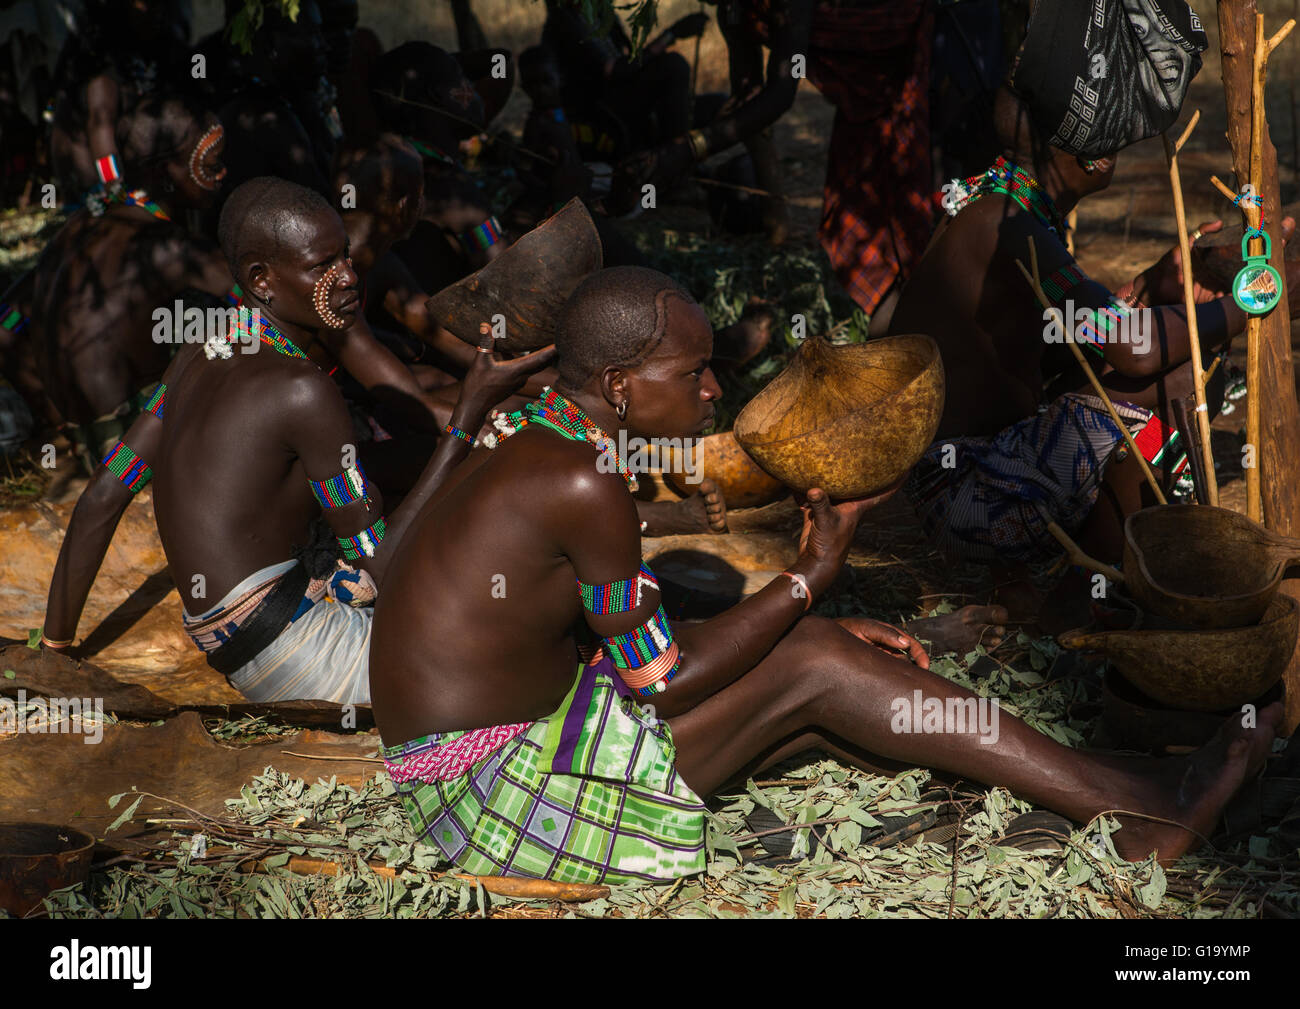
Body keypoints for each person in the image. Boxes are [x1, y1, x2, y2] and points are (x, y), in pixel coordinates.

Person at [368, 266, 1277, 885]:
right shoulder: (584, 478)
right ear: (618, 386)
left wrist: (810, 617)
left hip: (499, 735)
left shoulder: (552, 438)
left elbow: (641, 653)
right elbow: (665, 679)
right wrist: (811, 574)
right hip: (487, 790)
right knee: (810, 665)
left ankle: (1100, 784)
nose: (714, 390)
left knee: (815, 668)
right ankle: (1148, 809)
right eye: (694, 372)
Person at [41, 177, 554, 704]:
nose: (347, 278)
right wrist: (468, 416)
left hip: (238, 638)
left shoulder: (202, 349)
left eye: (346, 257)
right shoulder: (303, 390)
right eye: (322, 266)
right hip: (301, 654)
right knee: (531, 620)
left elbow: (104, 494)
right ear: (262, 279)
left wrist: (52, 647)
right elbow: (382, 563)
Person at [887, 83, 1300, 626]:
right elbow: (1133, 349)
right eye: (1090, 129)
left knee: (1178, 369)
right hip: (965, 494)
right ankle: (1088, 598)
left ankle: (1097, 581)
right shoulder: (1009, 226)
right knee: (1175, 382)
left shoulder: (1006, 208)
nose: (1109, 143)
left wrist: (1153, 285)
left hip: (975, 475)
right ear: (1051, 147)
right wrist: (1264, 298)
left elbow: (1082, 342)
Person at [611, 0, 933, 329]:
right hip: (864, 111)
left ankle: (915, 325)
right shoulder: (736, 8)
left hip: (898, 85)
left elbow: (779, 96)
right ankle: (895, 326)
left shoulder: (790, 6)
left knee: (886, 232)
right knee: (861, 234)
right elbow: (749, 96)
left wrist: (689, 149)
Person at [29, 93, 233, 469]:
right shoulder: (169, 248)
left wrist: (52, 413)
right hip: (131, 450)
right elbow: (268, 310)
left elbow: (7, 322)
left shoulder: (80, 227)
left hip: (88, 438)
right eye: (211, 163)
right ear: (164, 172)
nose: (223, 173)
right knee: (229, 330)